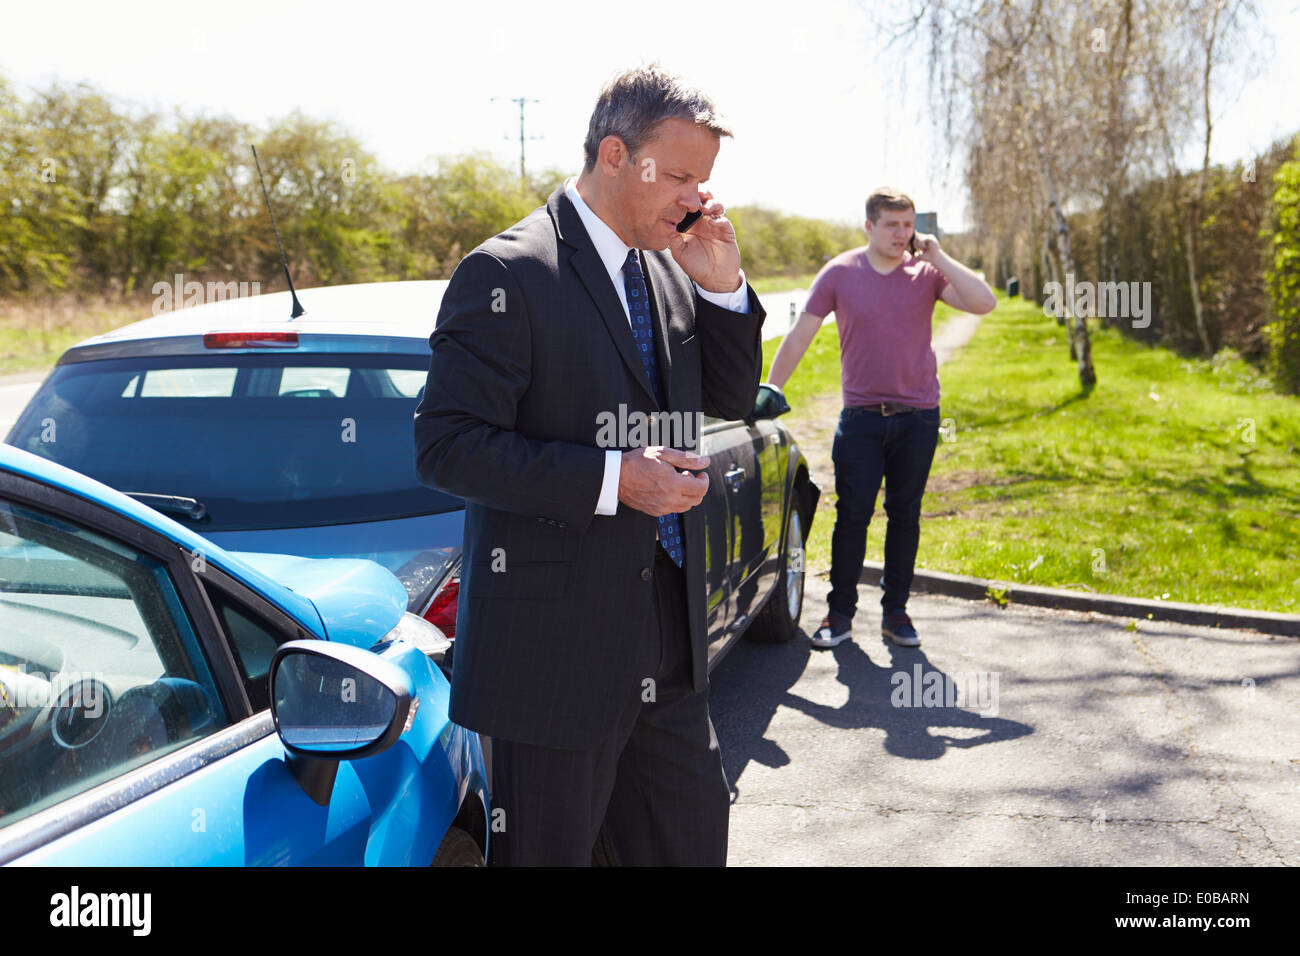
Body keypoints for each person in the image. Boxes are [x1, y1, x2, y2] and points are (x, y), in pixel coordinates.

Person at [413, 64, 765, 866]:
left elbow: (732, 399)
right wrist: (613, 480)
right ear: (615, 155)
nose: (694, 199)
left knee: (689, 845)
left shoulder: (673, 266)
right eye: (677, 176)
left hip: (671, 653)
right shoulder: (508, 273)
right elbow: (446, 444)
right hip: (554, 669)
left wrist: (722, 290)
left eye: (702, 182)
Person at [766, 188, 994, 649]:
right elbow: (800, 334)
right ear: (869, 226)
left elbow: (983, 302)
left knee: (905, 516)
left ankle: (897, 614)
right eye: (891, 224)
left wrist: (939, 254)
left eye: (907, 224)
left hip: (919, 417)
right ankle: (838, 614)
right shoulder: (840, 273)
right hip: (862, 420)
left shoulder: (926, 273)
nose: (901, 234)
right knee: (852, 516)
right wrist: (771, 390)